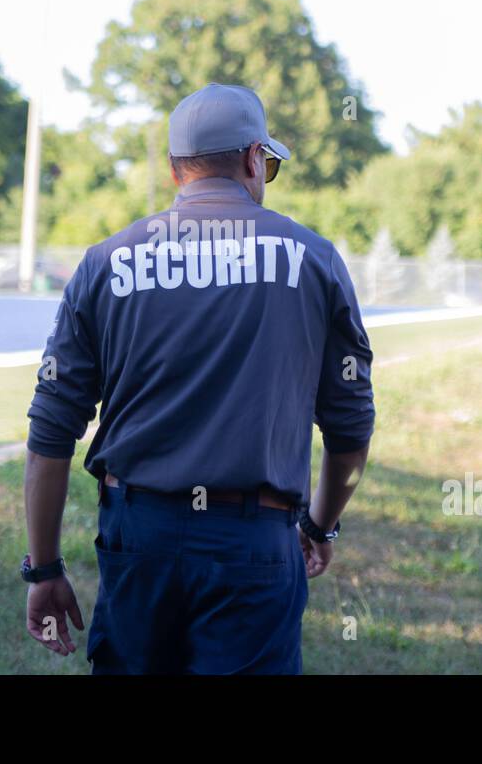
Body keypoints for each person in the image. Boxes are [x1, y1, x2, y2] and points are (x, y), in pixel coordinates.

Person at [21, 82, 374, 674]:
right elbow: (351, 429)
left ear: (175, 170)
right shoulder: (314, 260)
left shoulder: (107, 261)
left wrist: (46, 567)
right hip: (254, 543)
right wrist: (320, 524)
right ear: (253, 158)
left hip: (139, 538)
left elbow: (51, 431)